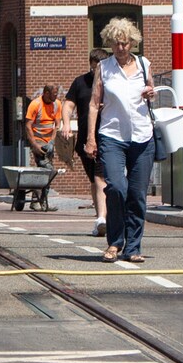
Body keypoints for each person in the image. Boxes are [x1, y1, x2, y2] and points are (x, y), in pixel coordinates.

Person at [86, 18, 156, 263]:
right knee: (116, 187)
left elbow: (151, 92)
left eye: (125, 43)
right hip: (112, 136)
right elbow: (94, 104)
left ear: (133, 43)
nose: (121, 48)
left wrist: (151, 93)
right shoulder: (104, 67)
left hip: (142, 136)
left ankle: (133, 247)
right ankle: (115, 242)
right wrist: (91, 138)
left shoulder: (144, 65)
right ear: (110, 43)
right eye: (116, 43)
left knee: (137, 194)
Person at [65, 63, 105, 236]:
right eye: (93, 68)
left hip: (108, 137)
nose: (96, 72)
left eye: (99, 68)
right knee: (94, 179)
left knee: (100, 177)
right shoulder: (80, 82)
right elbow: (68, 105)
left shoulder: (111, 80)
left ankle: (103, 217)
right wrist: (66, 124)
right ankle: (100, 217)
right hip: (85, 139)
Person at [24, 84, 61, 170]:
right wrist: (35, 145)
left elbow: (57, 125)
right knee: (45, 165)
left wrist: (52, 141)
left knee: (47, 166)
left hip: (49, 139)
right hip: (38, 139)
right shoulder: (35, 104)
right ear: (47, 93)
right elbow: (28, 126)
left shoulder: (57, 104)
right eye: (54, 94)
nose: (56, 96)